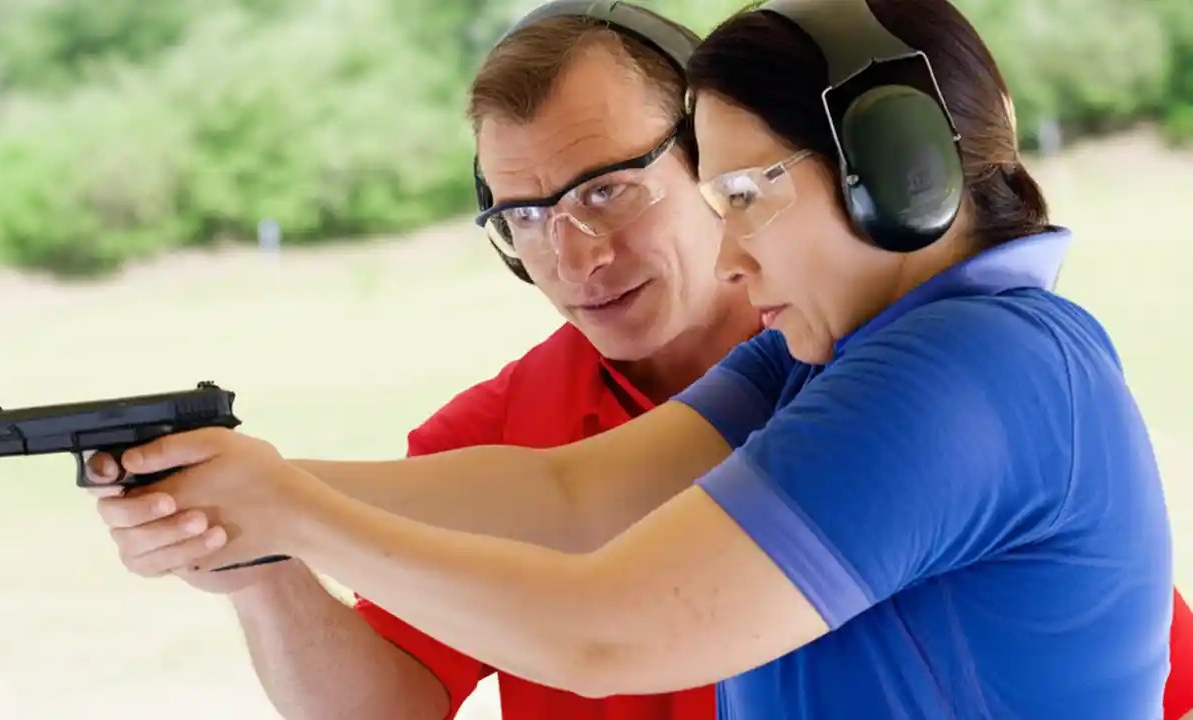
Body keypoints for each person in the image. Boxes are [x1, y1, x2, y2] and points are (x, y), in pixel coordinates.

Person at [86, 1, 1193, 718]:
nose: (730, 241)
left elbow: (606, 632)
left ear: (892, 171)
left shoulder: (966, 374)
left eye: (746, 195)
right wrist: (242, 480)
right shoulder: (828, 358)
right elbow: (567, 494)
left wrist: (293, 511)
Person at [89, 3, 751, 719]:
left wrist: (278, 496)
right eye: (523, 216)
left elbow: (575, 514)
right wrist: (259, 564)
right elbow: (387, 705)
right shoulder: (483, 436)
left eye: (607, 191)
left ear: (716, 152)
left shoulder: (842, 366)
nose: (576, 259)